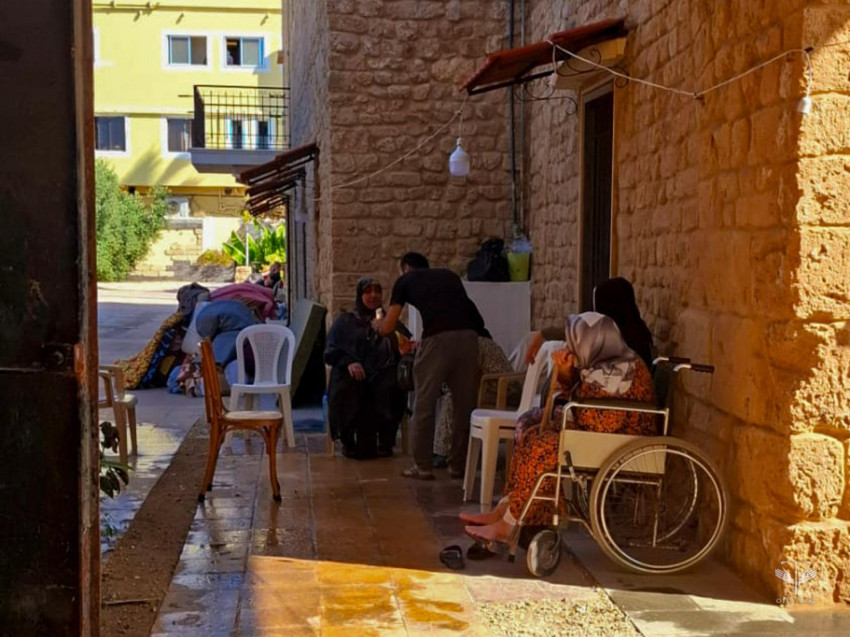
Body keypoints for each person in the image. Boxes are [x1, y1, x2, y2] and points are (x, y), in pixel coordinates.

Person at [462, 312, 657, 545]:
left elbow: (600, 421)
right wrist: (565, 374)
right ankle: (507, 510)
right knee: (532, 435)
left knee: (541, 446)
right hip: (603, 436)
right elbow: (581, 404)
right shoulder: (605, 363)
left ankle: (511, 523)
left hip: (620, 441)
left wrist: (567, 404)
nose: (570, 348)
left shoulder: (619, 372)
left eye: (576, 343)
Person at [374, 252, 489, 480]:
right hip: (468, 338)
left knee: (424, 403)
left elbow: (388, 326)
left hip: (437, 340)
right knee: (464, 404)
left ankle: (422, 465)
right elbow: (472, 313)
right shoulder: (449, 275)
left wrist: (377, 325)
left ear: (405, 267)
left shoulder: (405, 281)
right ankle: (458, 464)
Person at [325, 277, 410, 459]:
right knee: (347, 386)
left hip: (382, 373)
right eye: (368, 291)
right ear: (359, 295)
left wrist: (388, 333)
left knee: (392, 385)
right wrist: (349, 362)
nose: (373, 296)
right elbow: (331, 351)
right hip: (353, 373)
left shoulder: (390, 322)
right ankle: (348, 442)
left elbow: (406, 346)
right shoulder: (346, 321)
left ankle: (385, 442)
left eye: (377, 291)